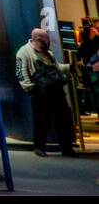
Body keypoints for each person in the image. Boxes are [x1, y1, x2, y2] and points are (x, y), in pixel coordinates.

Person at [15, 27, 77, 157]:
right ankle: (39, 147)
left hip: (56, 90)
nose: (47, 41)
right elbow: (21, 72)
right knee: (42, 121)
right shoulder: (24, 52)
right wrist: (30, 88)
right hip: (40, 91)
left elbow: (57, 67)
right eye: (45, 39)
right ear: (37, 39)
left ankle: (66, 148)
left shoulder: (48, 52)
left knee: (63, 120)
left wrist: (70, 67)